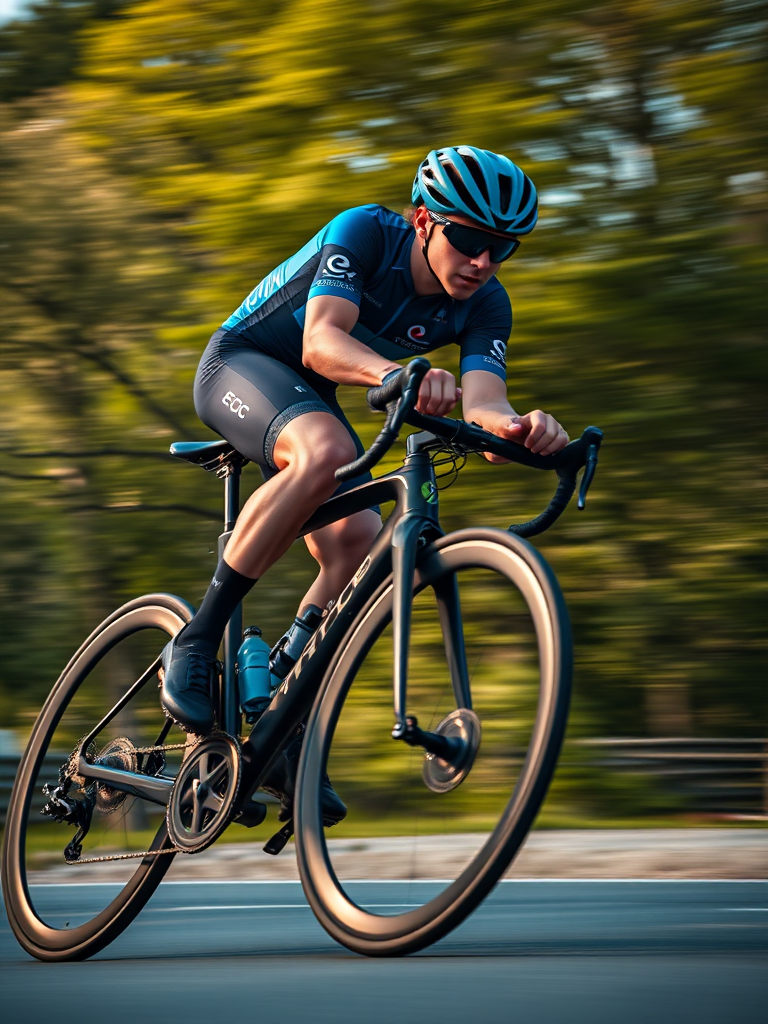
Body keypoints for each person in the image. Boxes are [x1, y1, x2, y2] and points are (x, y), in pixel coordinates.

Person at [159, 144, 569, 820]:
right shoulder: (363, 233)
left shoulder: (487, 305)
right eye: (468, 239)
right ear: (422, 220)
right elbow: (322, 342)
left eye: (503, 249)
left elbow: (484, 407)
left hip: (317, 389)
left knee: (362, 542)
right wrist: (393, 375)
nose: (484, 262)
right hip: (244, 362)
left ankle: (277, 709)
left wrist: (524, 431)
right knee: (323, 451)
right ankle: (199, 637)